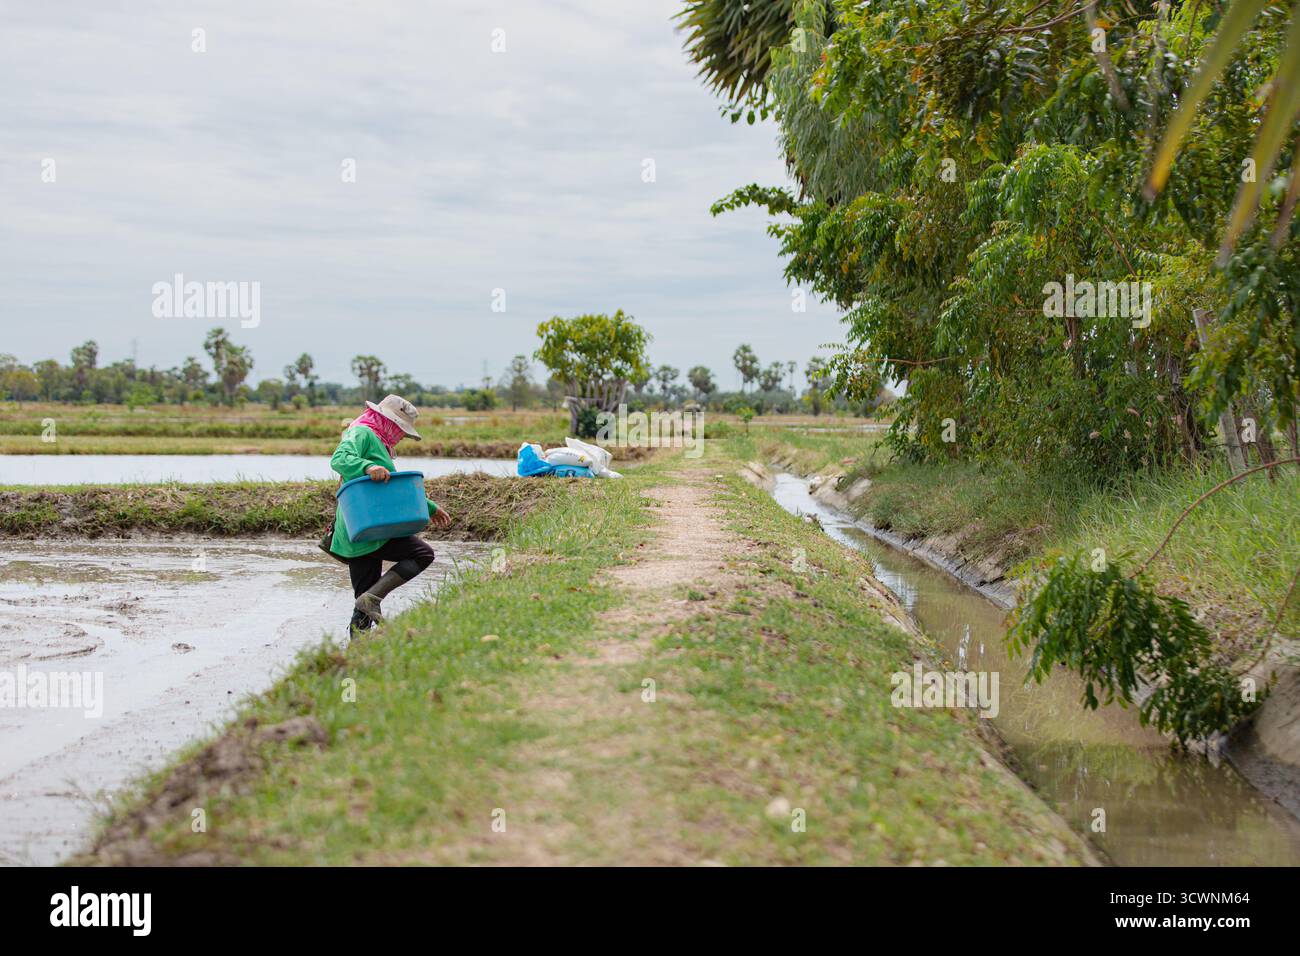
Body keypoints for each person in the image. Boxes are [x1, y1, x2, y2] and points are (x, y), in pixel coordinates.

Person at [321, 394, 451, 633]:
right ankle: (371, 602)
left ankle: (358, 656)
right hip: (363, 526)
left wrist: (430, 507)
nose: (402, 436)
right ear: (387, 421)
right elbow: (340, 458)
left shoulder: (379, 443)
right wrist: (368, 467)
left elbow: (392, 492)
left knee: (363, 605)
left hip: (370, 526)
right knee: (422, 554)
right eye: (400, 429)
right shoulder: (362, 433)